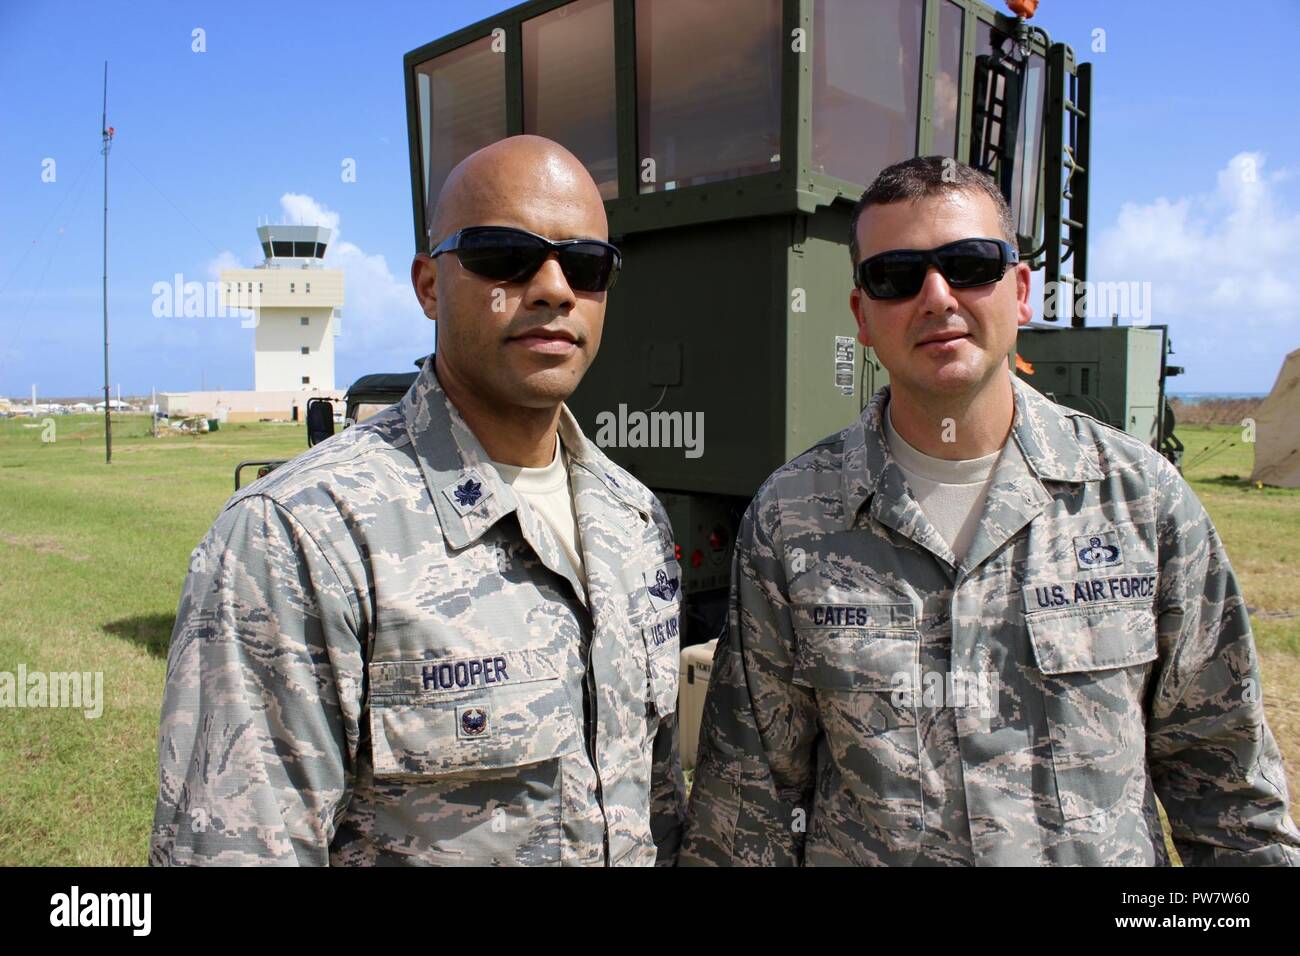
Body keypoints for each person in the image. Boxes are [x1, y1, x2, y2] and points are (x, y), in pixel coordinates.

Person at [681, 155, 1300, 866]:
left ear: (1022, 290)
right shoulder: (792, 523)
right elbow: (747, 809)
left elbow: (1229, 794)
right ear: (861, 315)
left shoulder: (1140, 502)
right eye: (896, 277)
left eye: (970, 264)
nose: (937, 296)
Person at [151, 135, 686, 866]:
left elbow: (658, 811)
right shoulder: (299, 537)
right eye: (505, 255)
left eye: (586, 264)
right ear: (429, 285)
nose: (555, 288)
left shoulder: (635, 522)